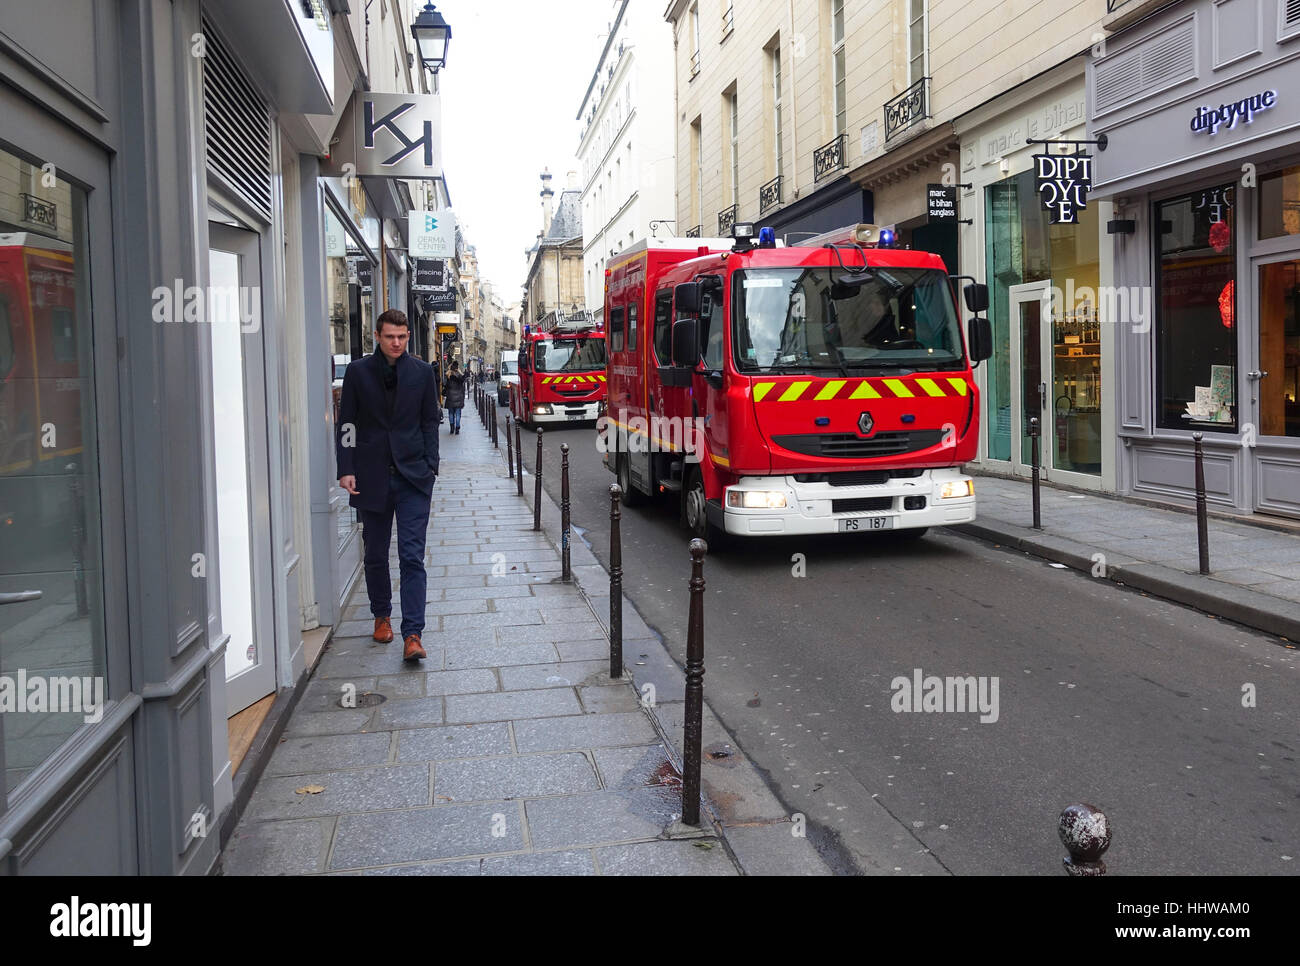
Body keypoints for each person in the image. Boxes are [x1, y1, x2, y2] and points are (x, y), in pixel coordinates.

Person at [335, 309, 440, 662]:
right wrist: (346, 467)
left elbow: (430, 421)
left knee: (412, 556)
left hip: (413, 478)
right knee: (376, 554)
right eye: (390, 336)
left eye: (402, 336)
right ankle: (382, 615)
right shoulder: (358, 372)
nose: (397, 342)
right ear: (377, 337)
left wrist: (431, 466)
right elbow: (347, 422)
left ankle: (413, 634)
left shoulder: (423, 373)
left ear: (408, 336)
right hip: (371, 476)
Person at [442, 359, 467, 435]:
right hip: (458, 397)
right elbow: (463, 387)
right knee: (458, 414)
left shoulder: (448, 375)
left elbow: (444, 385)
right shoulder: (460, 376)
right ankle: (457, 428)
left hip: (450, 397)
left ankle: (452, 428)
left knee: (451, 413)